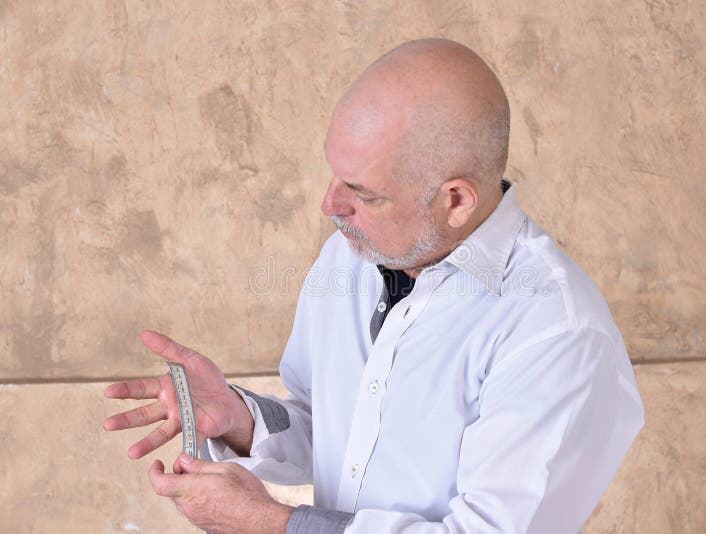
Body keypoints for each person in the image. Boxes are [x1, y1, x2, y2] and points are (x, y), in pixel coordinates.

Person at [105, 38, 644, 534]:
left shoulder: (556, 330)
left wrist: (271, 524)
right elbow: (338, 431)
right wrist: (239, 419)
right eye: (335, 174)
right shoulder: (352, 255)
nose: (330, 206)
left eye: (364, 192)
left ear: (456, 200)